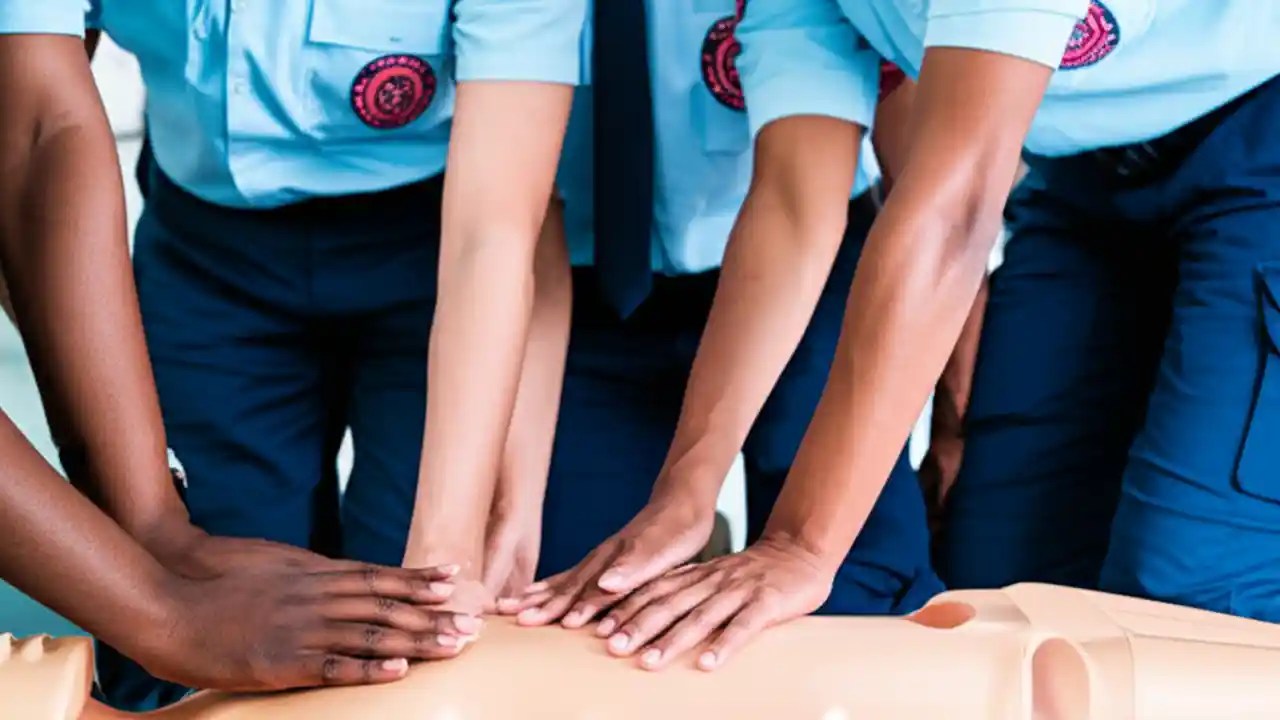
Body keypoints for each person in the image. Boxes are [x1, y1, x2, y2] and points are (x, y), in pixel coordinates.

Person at [524, 0, 1280, 669]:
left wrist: (800, 547)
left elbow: (953, 212)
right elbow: (794, 202)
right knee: (1000, 591)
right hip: (1085, 173)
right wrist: (684, 491)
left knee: (1186, 595)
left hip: (1260, 142)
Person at [9, 0, 585, 710]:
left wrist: (446, 563)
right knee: (198, 634)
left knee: (404, 618)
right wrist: (155, 557)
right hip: (207, 246)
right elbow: (32, 127)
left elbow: (493, 230)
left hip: (433, 239)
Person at [496, 0, 945, 661]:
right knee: (573, 608)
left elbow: (910, 169)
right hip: (580, 294)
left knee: (859, 599)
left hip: (805, 275)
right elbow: (504, 213)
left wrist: (957, 385)